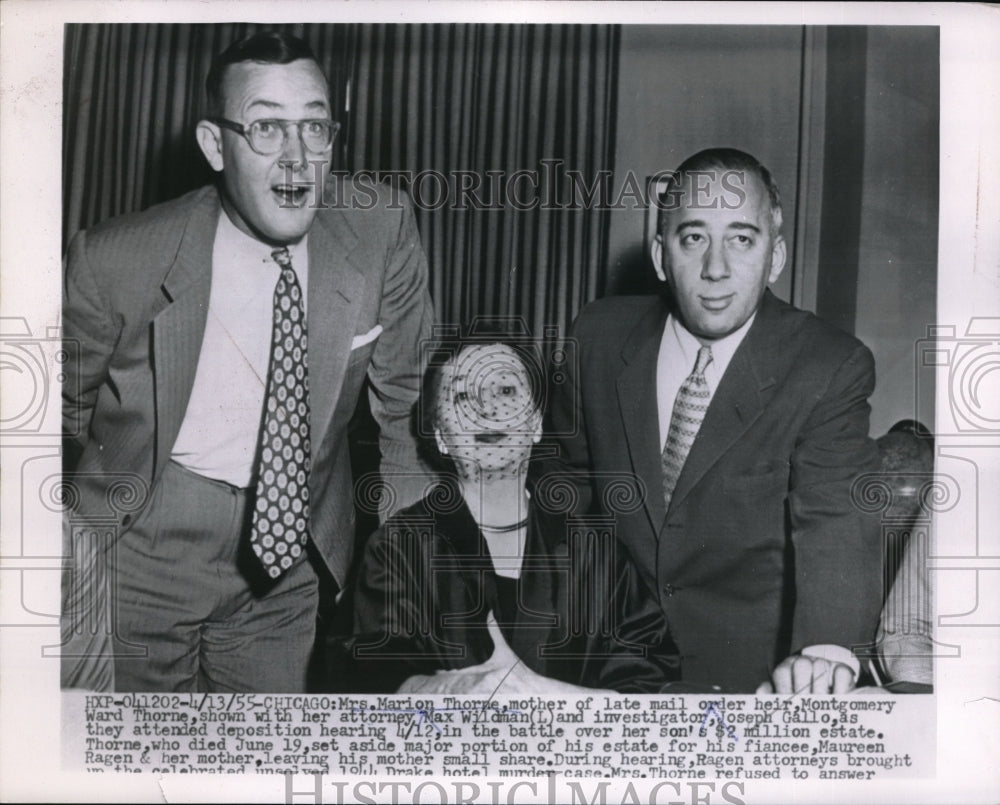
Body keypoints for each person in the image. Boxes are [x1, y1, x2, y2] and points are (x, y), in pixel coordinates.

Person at [61, 31, 433, 692]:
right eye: (265, 127)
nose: (296, 160)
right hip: (143, 541)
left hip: (288, 557)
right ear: (214, 144)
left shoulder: (381, 229)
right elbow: (61, 408)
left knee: (263, 763)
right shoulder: (116, 259)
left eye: (314, 128)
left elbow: (409, 408)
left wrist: (412, 566)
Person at [546, 147, 882, 693]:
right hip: (599, 670)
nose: (716, 268)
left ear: (774, 259)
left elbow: (837, 517)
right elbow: (564, 491)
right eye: (694, 237)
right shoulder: (597, 338)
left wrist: (824, 651)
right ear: (660, 256)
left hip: (749, 684)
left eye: (742, 239)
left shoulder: (828, 365)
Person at [348, 339, 682, 694]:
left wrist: (545, 696)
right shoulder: (398, 549)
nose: (487, 408)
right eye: (462, 396)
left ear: (536, 424)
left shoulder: (596, 554)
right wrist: (454, 692)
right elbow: (368, 679)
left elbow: (651, 690)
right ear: (441, 436)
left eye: (506, 389)